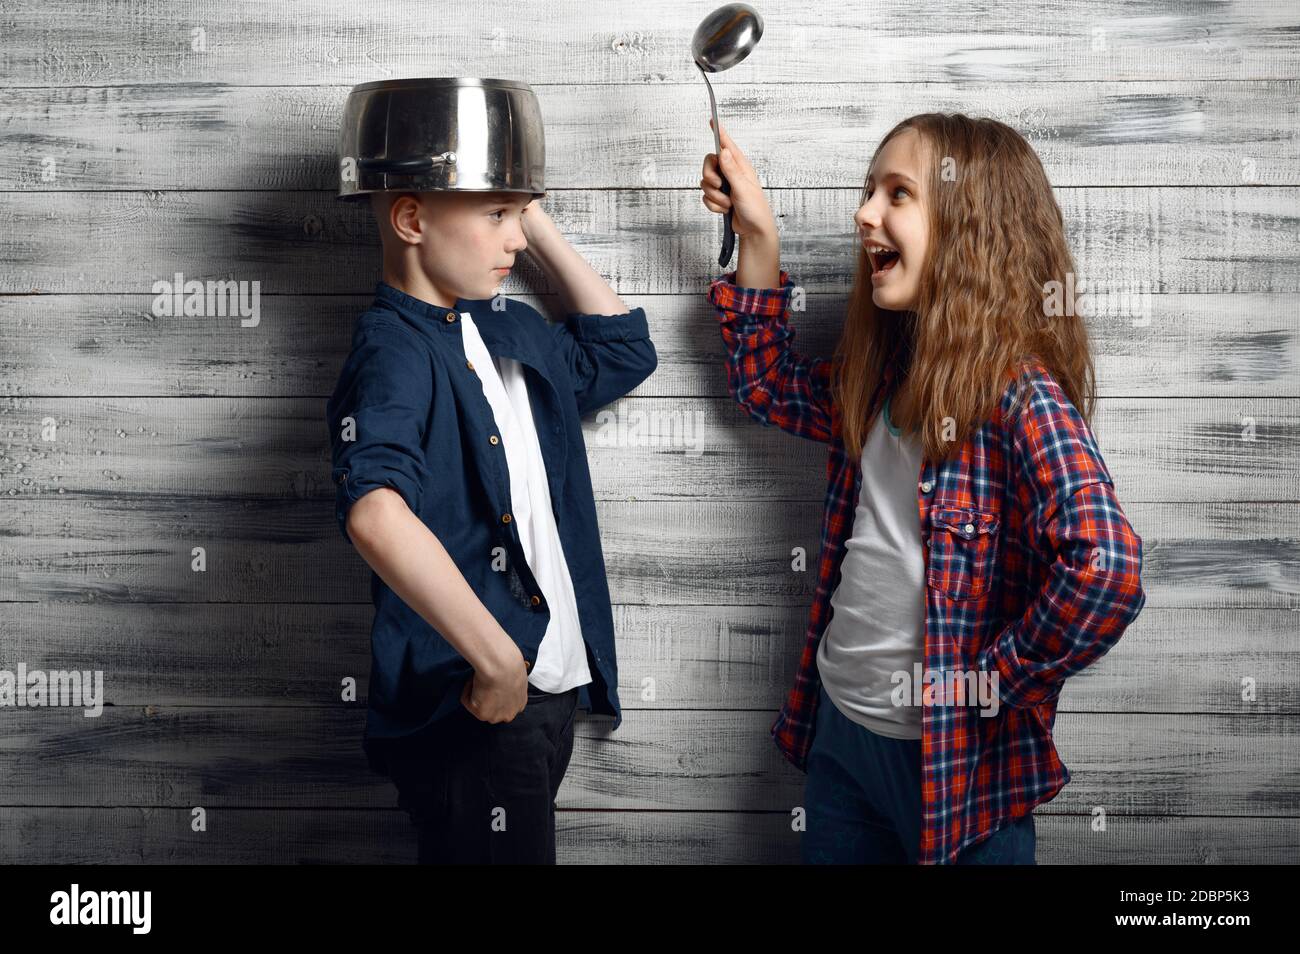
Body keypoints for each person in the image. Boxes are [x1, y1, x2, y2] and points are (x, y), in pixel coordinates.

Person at [699, 113, 1146, 864]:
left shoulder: (1020, 397)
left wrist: (993, 682)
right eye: (870, 191)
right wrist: (758, 236)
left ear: (972, 232)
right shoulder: (882, 379)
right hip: (840, 728)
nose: (864, 213)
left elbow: (1106, 571)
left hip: (953, 764)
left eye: (897, 194)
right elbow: (767, 386)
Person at [326, 187, 656, 863]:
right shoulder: (394, 351)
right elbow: (374, 511)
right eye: (497, 216)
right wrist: (498, 658)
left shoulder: (508, 325)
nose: (518, 241)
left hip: (547, 696)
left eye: (521, 215)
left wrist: (532, 214)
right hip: (478, 704)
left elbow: (624, 352)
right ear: (413, 219)